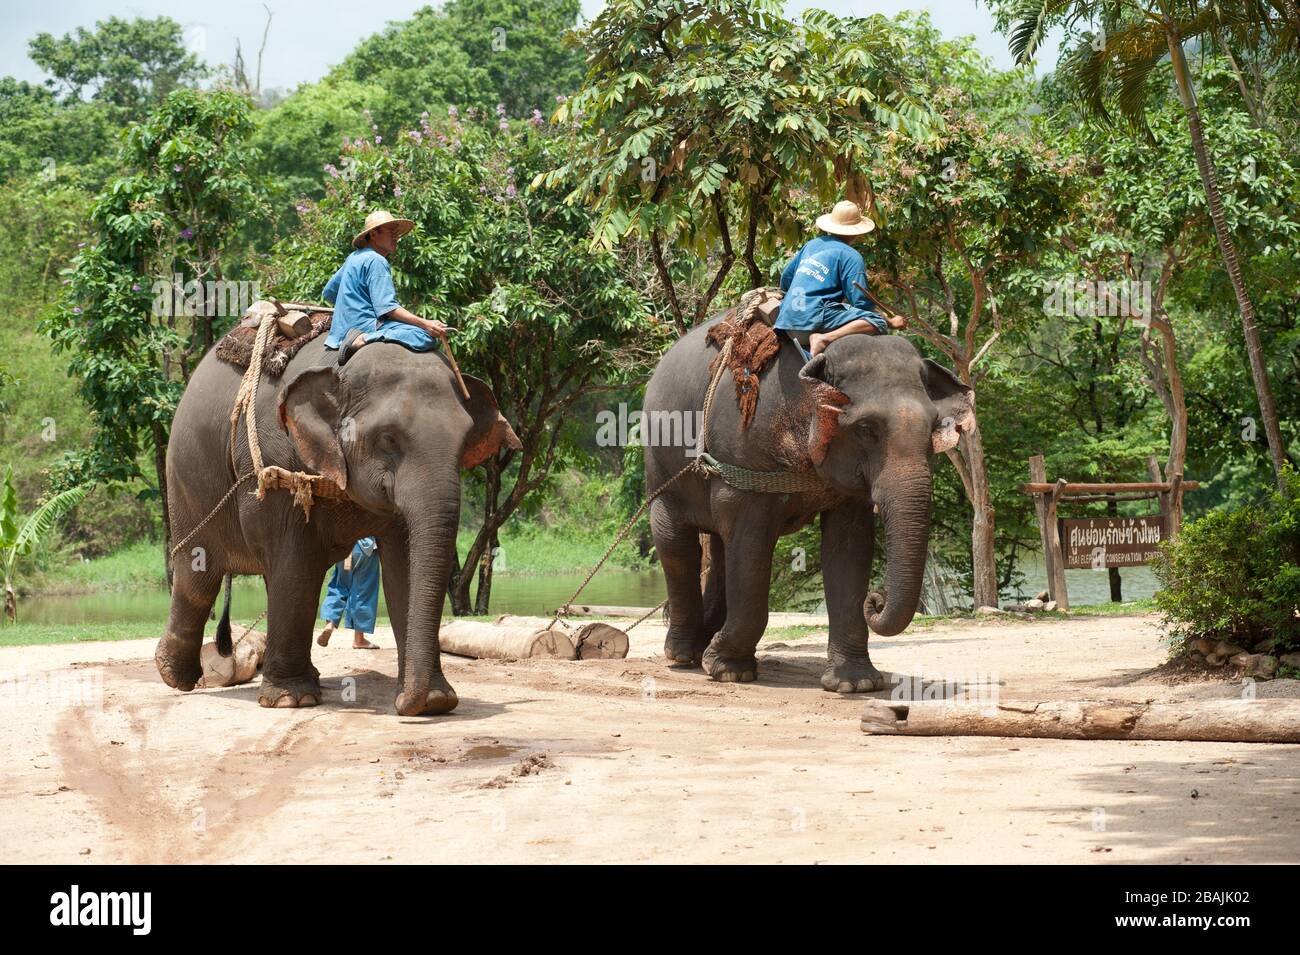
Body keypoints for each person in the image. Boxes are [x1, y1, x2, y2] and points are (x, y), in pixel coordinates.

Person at [775, 199, 906, 357]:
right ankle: (823, 338)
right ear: (856, 232)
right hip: (811, 323)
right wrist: (890, 321)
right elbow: (862, 303)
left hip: (787, 322)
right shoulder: (851, 256)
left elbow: (786, 280)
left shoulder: (811, 244)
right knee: (877, 321)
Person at [322, 210, 450, 365]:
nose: (395, 236)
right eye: (391, 231)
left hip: (341, 330)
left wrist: (351, 306)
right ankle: (364, 339)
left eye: (396, 232)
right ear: (374, 234)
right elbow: (387, 308)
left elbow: (329, 292)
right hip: (365, 327)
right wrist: (425, 323)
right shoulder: (377, 260)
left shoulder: (354, 257)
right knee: (425, 336)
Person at [317, 537, 381, 650]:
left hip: (345, 549)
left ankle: (330, 624)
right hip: (366, 550)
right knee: (363, 592)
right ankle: (359, 639)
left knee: (339, 586)